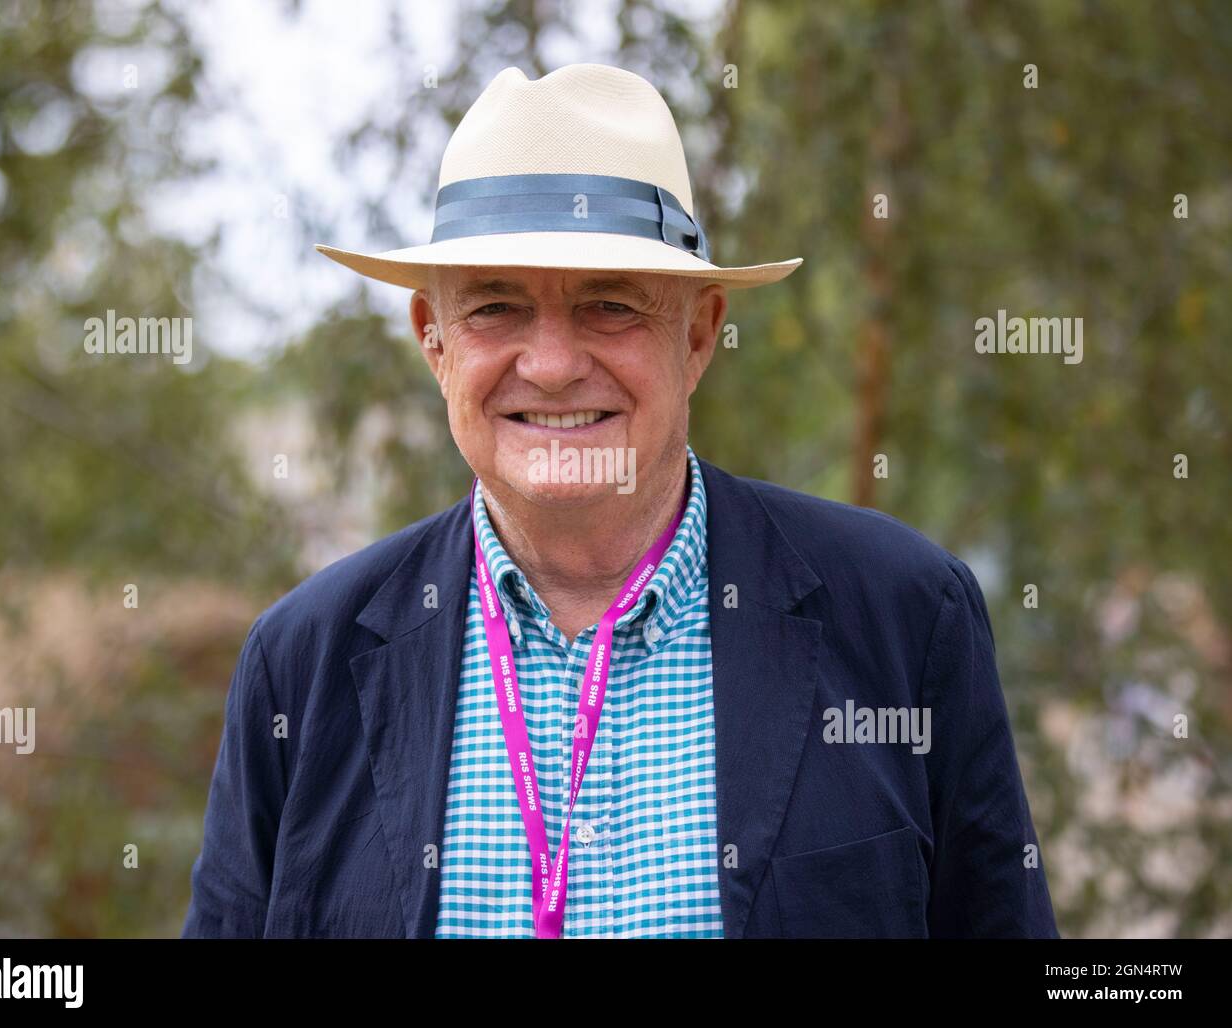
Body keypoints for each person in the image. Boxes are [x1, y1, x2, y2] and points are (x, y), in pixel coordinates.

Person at [181, 63, 1057, 939]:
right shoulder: (302, 663)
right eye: (495, 308)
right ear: (433, 340)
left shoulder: (905, 616)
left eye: (609, 305)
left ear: (700, 334)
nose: (553, 364)